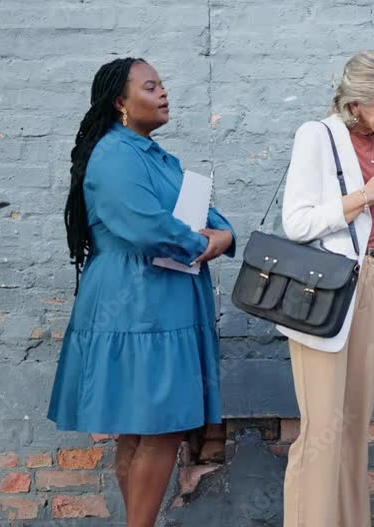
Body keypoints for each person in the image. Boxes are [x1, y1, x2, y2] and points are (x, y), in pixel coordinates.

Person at [47, 57, 235, 527]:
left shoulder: (154, 155)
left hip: (162, 295)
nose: (163, 93)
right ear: (120, 102)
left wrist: (224, 235)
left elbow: (204, 213)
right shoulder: (115, 155)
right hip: (138, 300)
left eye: (163, 85)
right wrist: (202, 244)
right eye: (151, 87)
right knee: (159, 426)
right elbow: (146, 226)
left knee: (143, 427)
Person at [280, 50, 374, 527]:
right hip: (326, 292)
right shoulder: (316, 136)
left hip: (371, 286)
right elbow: (296, 223)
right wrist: (363, 197)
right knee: (322, 430)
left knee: (356, 427)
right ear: (356, 104)